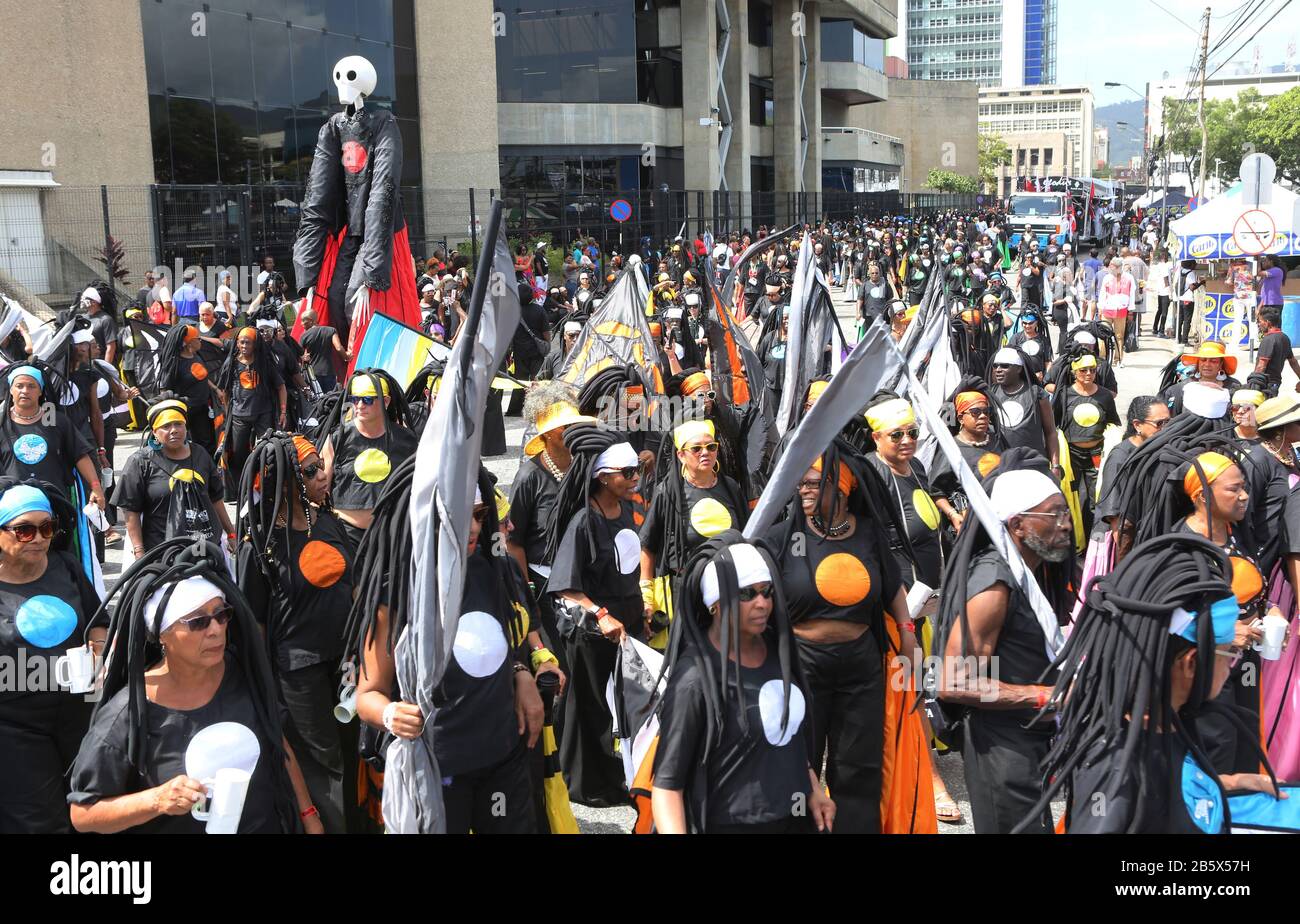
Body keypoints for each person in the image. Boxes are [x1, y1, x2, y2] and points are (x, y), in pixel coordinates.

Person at [1021, 531, 1289, 833]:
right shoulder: (1116, 769)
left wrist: (1230, 784)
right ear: (1189, 662)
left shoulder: (1168, 723)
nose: (1232, 667)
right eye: (1230, 654)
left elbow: (1171, 789)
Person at [68, 542, 318, 833]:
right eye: (198, 622)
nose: (215, 629)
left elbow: (278, 742)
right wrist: (156, 800)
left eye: (222, 614)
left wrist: (309, 814)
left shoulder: (243, 674)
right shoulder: (127, 714)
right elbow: (83, 814)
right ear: (162, 634)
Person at [349, 465, 543, 833]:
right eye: (457, 515)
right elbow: (367, 694)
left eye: (479, 515)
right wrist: (391, 715)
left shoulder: (497, 571)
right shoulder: (397, 591)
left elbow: (495, 646)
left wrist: (521, 674)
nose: (472, 527)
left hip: (503, 760)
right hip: (439, 770)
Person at [762, 444, 922, 833]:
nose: (804, 491)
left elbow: (892, 587)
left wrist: (907, 634)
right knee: (798, 762)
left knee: (859, 767)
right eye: (801, 484)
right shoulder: (782, 537)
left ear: (843, 487)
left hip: (861, 665)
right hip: (801, 665)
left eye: (814, 484)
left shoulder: (868, 534)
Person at [651, 538, 834, 833]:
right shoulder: (695, 679)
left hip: (795, 821)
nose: (761, 603)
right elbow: (668, 786)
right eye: (747, 594)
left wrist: (812, 786)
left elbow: (790, 735)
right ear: (715, 604)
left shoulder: (781, 652)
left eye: (766, 592)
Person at [939, 468, 1073, 833]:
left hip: (1033, 739)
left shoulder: (1032, 570)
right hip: (1000, 746)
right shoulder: (994, 583)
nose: (1066, 525)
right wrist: (1045, 695)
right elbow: (953, 682)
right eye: (1054, 514)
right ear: (1017, 525)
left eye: (1066, 513)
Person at [237, 433, 359, 834]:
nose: (323, 475)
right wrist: (261, 683)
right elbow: (253, 622)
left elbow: (354, 589)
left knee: (354, 749)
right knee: (323, 762)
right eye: (311, 471)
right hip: (298, 671)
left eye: (321, 466)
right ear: (287, 479)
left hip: (345, 663)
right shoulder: (261, 544)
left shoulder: (326, 521)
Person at [546, 425, 645, 807]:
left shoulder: (630, 510)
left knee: (617, 704)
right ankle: (585, 786)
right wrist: (601, 614)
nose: (635, 478)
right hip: (592, 633)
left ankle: (615, 775)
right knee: (590, 705)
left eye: (637, 471)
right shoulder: (584, 521)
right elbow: (565, 587)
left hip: (626, 628)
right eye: (627, 473)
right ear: (604, 477)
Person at [0, 481, 104, 832]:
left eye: (46, 528)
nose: (40, 538)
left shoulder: (66, 566)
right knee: (38, 822)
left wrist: (98, 654)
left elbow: (98, 622)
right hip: (16, 727)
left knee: (90, 807)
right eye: (24, 530)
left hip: (80, 714)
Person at [639, 418, 749, 648]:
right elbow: (648, 546)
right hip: (687, 592)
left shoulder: (731, 488)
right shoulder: (668, 493)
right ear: (681, 455)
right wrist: (646, 595)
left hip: (729, 589)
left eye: (711, 447)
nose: (705, 453)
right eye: (696, 449)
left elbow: (746, 537)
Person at [113, 397, 232, 559]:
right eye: (166, 426)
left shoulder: (200, 455)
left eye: (178, 424)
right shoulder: (140, 462)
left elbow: (215, 499)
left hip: (205, 547)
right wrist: (139, 551)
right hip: (160, 550)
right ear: (154, 432)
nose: (174, 430)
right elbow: (131, 510)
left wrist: (231, 534)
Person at [320, 370, 418, 550]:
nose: (359, 405)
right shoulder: (337, 438)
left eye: (367, 399)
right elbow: (320, 489)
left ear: (386, 401)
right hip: (346, 534)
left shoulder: (406, 440)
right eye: (355, 398)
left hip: (391, 534)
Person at [0, 364, 106, 513]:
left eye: (31, 386)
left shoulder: (54, 420)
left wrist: (96, 487)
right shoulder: (1, 423)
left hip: (55, 502)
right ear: (11, 389)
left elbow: (80, 456)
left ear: (40, 391)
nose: (25, 391)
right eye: (19, 386)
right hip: (11, 505)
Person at [1053, 354, 1120, 537]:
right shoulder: (1064, 394)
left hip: (1096, 454)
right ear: (1075, 372)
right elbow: (1053, 425)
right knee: (1071, 497)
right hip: (1071, 455)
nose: (1088, 373)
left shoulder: (1104, 395)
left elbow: (1114, 423)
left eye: (1092, 369)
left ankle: (1095, 538)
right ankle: (1073, 539)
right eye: (1083, 370)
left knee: (1095, 497)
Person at [216, 326, 285, 499]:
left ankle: (266, 486)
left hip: (264, 413)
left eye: (248, 342)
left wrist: (282, 411)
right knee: (238, 454)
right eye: (241, 342)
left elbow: (281, 386)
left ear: (255, 344)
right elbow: (223, 391)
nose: (244, 345)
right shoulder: (231, 363)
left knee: (266, 450)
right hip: (240, 416)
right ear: (237, 343)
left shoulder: (264, 362)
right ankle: (242, 489)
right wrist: (228, 412)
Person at [990, 348, 1058, 468]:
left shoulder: (1037, 394)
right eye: (995, 366)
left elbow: (1051, 432)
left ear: (1018, 368)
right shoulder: (991, 394)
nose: (998, 370)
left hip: (1034, 465)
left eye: (1005, 366)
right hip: (1003, 466)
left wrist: (1056, 466)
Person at [157, 323, 219, 456]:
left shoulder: (197, 356)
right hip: (185, 410)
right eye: (198, 338)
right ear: (189, 342)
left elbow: (201, 376)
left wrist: (216, 389)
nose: (201, 340)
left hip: (202, 408)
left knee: (207, 442)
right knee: (188, 443)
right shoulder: (174, 363)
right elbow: (164, 388)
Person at [297, 307, 348, 395]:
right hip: (329, 372)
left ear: (310, 320)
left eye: (303, 321)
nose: (301, 324)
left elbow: (298, 355)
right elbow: (339, 348)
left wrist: (303, 358)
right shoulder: (330, 330)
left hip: (313, 374)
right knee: (332, 398)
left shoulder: (304, 336)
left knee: (319, 401)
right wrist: (347, 357)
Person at [1254, 304, 1300, 397]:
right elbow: (1293, 362)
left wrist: (1254, 385)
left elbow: (1261, 365)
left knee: (1261, 410)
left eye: (1260, 321)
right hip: (1276, 384)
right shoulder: (1284, 337)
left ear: (1267, 323)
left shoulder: (1268, 339)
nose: (1258, 325)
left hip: (1264, 384)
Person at [1098, 258, 1136, 366]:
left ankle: (1118, 359)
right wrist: (1100, 308)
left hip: (1121, 311)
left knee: (1119, 336)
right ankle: (1102, 359)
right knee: (1103, 335)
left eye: (1113, 266)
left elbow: (1131, 295)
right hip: (1107, 310)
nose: (1110, 268)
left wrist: (1131, 311)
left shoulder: (1129, 278)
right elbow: (1102, 293)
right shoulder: (1107, 278)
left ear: (1119, 267)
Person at [1176, 259, 1205, 346]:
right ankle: (1185, 341)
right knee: (1187, 321)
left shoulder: (1180, 271)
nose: (1196, 265)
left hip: (1180, 298)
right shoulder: (1190, 273)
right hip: (1188, 299)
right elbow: (1192, 287)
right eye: (1194, 264)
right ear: (1191, 265)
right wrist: (1200, 283)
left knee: (1180, 320)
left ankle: (1178, 338)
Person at [1149, 249, 1173, 337]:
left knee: (1159, 310)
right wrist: (1170, 293)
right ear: (1164, 257)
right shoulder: (1165, 267)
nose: (1167, 257)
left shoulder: (1158, 266)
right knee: (1164, 312)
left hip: (1160, 291)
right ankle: (1161, 331)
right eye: (1166, 256)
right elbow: (1166, 280)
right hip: (1165, 292)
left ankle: (1155, 328)